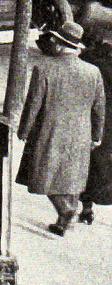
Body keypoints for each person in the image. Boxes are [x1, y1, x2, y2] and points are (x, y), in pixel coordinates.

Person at [18, 20, 105, 235]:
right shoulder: (93, 72)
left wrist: (24, 130)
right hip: (80, 135)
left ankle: (66, 212)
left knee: (43, 176)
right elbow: (99, 108)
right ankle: (63, 220)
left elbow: (33, 104)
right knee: (72, 179)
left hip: (50, 132)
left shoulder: (44, 68)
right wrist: (97, 135)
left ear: (58, 44)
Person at [80, 29, 112, 225]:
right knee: (103, 162)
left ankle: (86, 207)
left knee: (87, 164)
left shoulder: (87, 64)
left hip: (91, 119)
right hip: (111, 123)